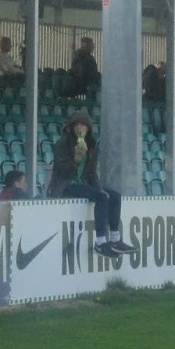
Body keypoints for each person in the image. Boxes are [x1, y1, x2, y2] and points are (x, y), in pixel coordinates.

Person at [48, 110, 136, 258]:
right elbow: (62, 171)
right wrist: (76, 159)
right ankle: (100, 242)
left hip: (83, 182)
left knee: (114, 196)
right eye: (76, 124)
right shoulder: (62, 143)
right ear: (71, 127)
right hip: (66, 185)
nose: (79, 127)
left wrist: (100, 188)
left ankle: (115, 239)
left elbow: (91, 172)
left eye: (82, 124)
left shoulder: (92, 145)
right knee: (101, 197)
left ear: (88, 128)